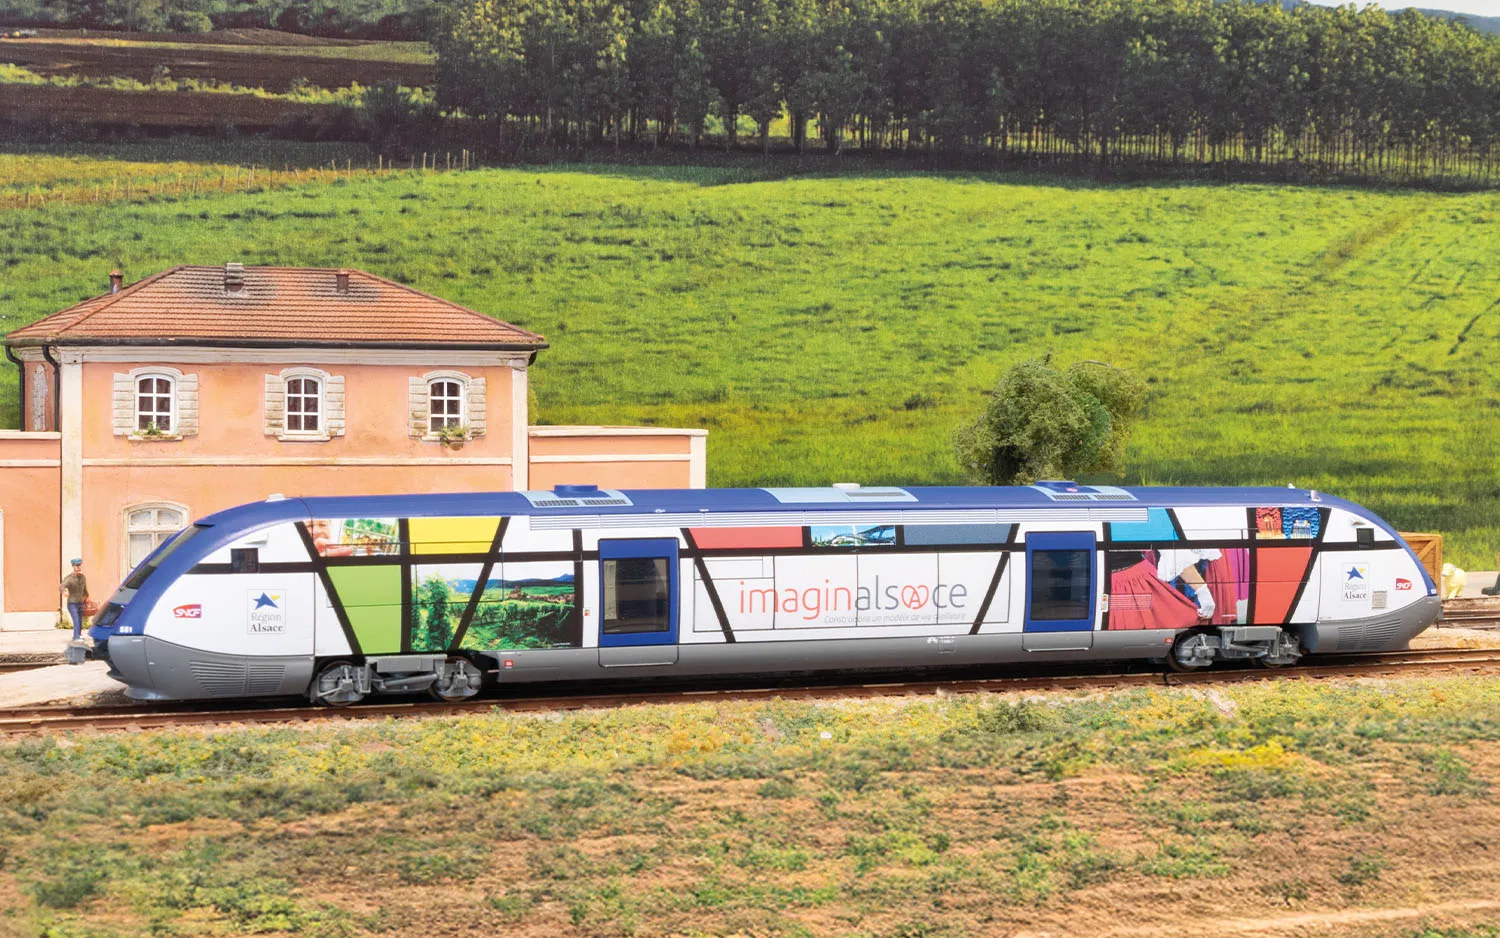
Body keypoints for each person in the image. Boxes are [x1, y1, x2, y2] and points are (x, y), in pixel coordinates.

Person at [60, 558, 89, 641]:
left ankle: (79, 634)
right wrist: (64, 591)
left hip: (80, 602)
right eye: (77, 566)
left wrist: (86, 596)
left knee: (80, 620)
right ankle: (76, 636)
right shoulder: (69, 578)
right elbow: (62, 586)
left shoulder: (82, 577)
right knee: (76, 619)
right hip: (72, 603)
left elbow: (84, 589)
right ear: (73, 566)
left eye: (80, 565)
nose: (79, 567)